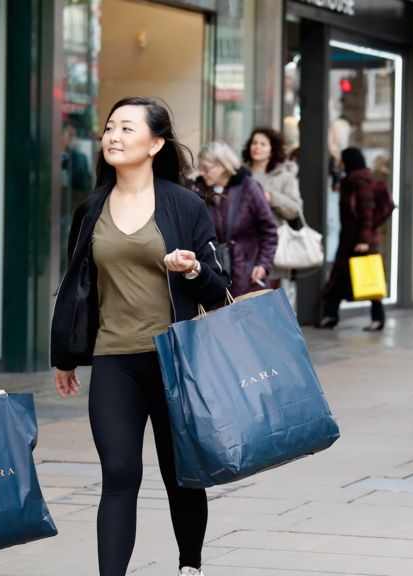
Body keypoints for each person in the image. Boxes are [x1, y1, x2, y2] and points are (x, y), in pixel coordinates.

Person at [51, 97, 228, 576]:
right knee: (120, 475)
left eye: (127, 128)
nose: (113, 136)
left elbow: (219, 288)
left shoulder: (184, 206)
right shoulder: (92, 209)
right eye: (110, 127)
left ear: (155, 143)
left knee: (182, 476)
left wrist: (192, 270)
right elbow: (77, 288)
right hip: (115, 360)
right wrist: (65, 355)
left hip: (176, 361)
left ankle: (189, 565)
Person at [317, 148, 394, 331]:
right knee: (338, 278)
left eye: (341, 161)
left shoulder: (360, 183)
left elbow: (366, 213)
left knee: (369, 279)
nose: (339, 165)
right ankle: (330, 315)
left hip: (360, 241)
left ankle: (377, 319)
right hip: (349, 239)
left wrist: (364, 240)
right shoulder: (350, 181)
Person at [196, 140, 279, 298]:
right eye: (200, 168)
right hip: (214, 272)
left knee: (247, 319)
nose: (202, 173)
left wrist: (263, 264)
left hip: (247, 273)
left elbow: (269, 230)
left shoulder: (249, 188)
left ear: (223, 166)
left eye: (206, 168)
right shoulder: (199, 190)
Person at [243, 127, 302, 288]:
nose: (257, 147)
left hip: (271, 244)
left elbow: (295, 210)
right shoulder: (239, 174)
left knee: (268, 295)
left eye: (263, 144)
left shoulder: (285, 176)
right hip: (242, 245)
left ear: (272, 149)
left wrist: (272, 198)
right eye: (254, 143)